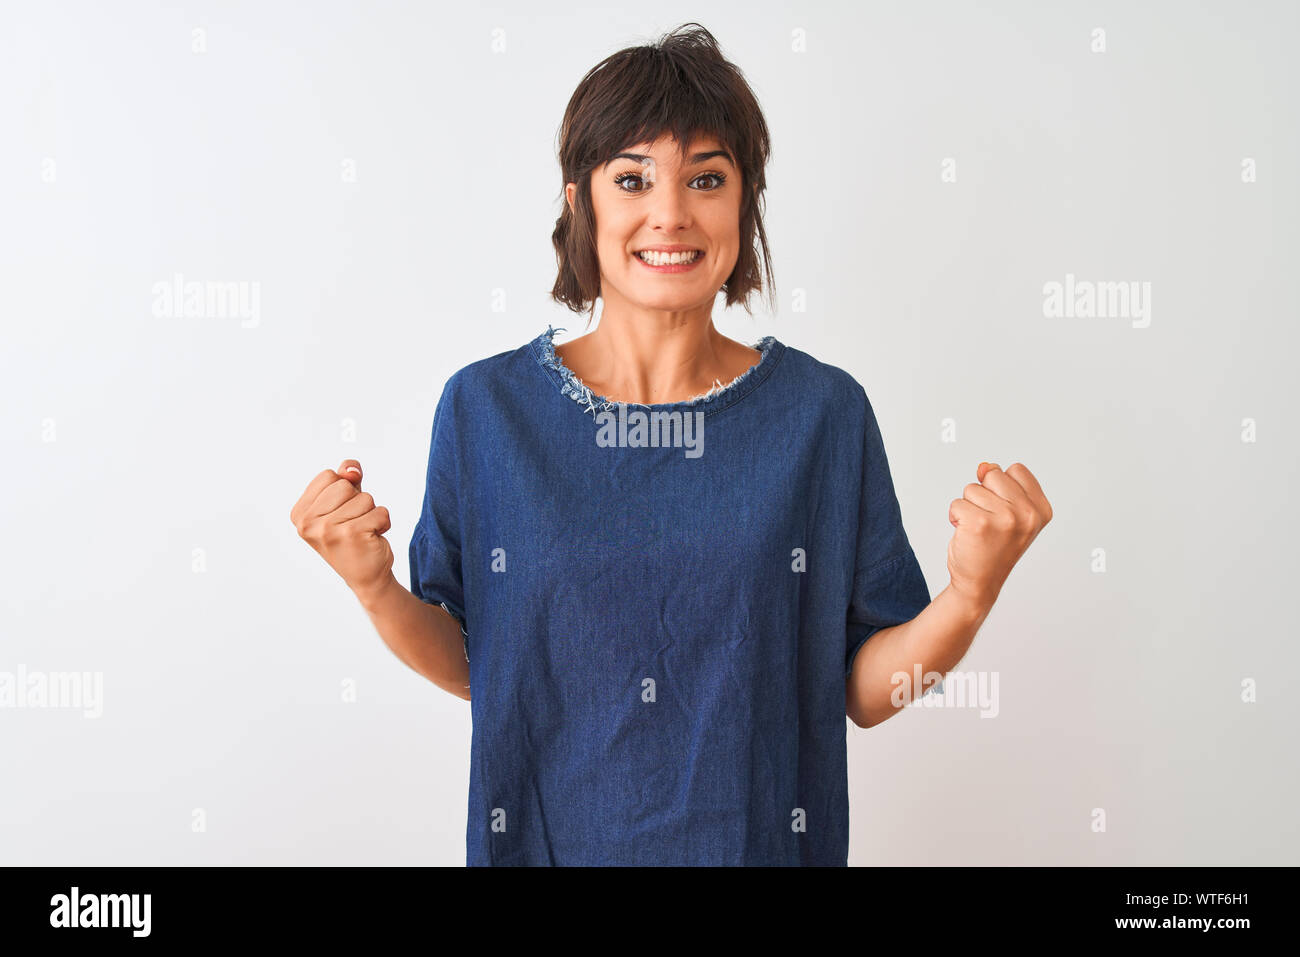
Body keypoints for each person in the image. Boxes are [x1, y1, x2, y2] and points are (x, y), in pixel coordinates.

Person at [290, 23, 1052, 866]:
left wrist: (969, 595)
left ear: (743, 202)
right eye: (633, 178)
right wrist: (373, 584)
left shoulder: (823, 416)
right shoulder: (485, 412)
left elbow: (865, 692)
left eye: (706, 178)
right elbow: (478, 661)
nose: (671, 214)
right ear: (580, 202)